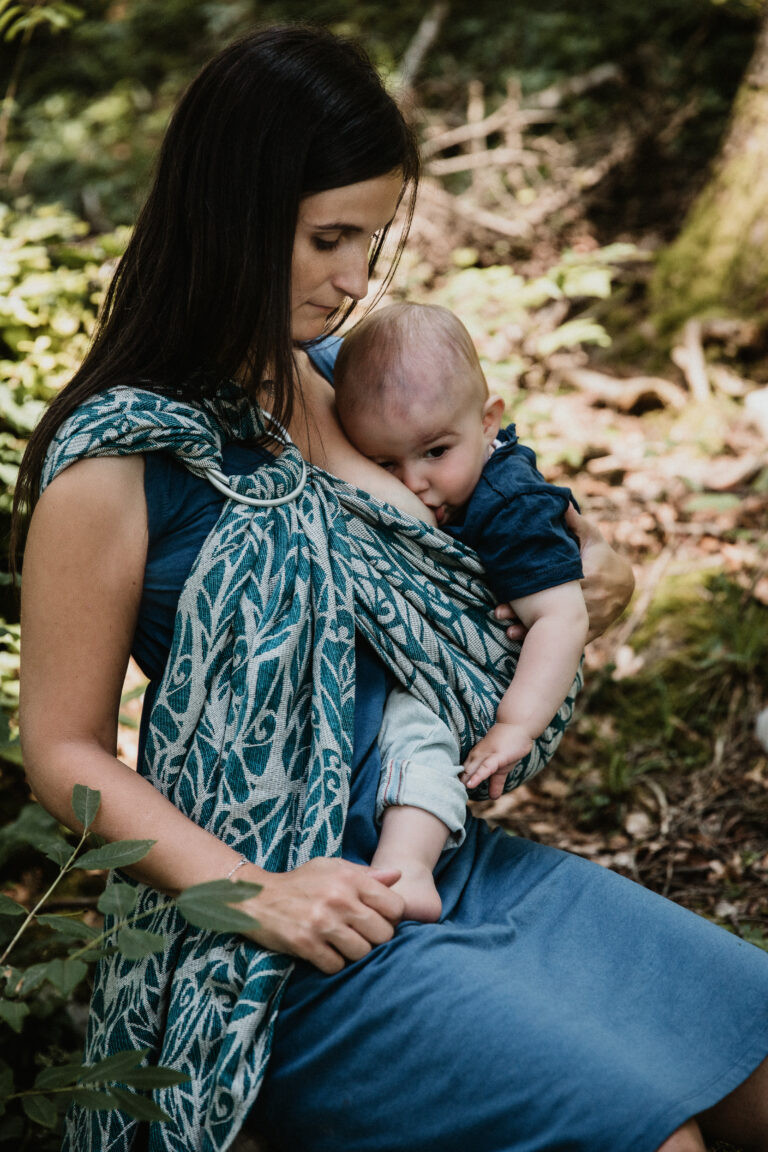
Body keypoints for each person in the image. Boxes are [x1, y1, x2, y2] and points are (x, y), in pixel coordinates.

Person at [13, 24, 768, 1152]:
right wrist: (254, 895)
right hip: (290, 943)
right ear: (233, 214)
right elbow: (62, 752)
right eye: (326, 239)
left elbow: (486, 563)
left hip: (451, 858)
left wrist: (572, 578)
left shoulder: (348, 392)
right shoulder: (122, 463)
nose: (354, 281)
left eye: (369, 239)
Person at [330, 301, 588, 921]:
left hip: (517, 688)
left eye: (435, 452)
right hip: (463, 663)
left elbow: (563, 618)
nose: (415, 482)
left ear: (489, 420)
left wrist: (514, 727)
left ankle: (410, 869)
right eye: (385, 464)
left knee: (416, 732)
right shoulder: (459, 476)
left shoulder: (510, 503)